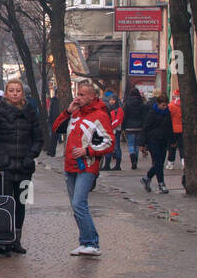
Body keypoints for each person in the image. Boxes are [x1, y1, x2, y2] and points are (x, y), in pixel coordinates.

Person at [53, 81, 115, 256]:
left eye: (82, 95)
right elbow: (56, 128)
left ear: (92, 96)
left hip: (87, 166)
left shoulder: (100, 115)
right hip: (70, 165)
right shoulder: (75, 114)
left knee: (79, 203)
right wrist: (67, 112)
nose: (78, 98)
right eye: (77, 94)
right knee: (75, 205)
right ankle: (85, 241)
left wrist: (88, 150)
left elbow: (109, 143)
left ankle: (92, 242)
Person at [0, 79, 44, 253]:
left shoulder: (30, 112)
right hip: (4, 167)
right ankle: (3, 238)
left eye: (18, 90)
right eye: (12, 90)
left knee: (22, 203)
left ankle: (17, 240)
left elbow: (38, 138)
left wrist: (31, 155)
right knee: (3, 202)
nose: (15, 93)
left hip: (25, 167)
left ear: (22, 93)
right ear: (7, 93)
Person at [141, 91, 173, 194]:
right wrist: (142, 143)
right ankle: (161, 183)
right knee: (158, 162)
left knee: (160, 162)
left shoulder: (167, 113)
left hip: (163, 140)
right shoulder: (152, 113)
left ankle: (147, 177)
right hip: (153, 140)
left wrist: (172, 140)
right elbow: (146, 128)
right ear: (158, 104)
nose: (165, 107)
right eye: (163, 105)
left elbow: (169, 127)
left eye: (166, 105)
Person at [121, 86, 147, 169]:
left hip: (129, 127)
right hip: (139, 127)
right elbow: (144, 116)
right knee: (136, 145)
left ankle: (132, 159)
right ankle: (135, 159)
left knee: (131, 144)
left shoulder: (127, 103)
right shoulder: (141, 103)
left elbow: (124, 116)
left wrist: (123, 126)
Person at [103, 90, 124, 170]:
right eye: (110, 100)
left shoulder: (119, 109)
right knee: (107, 147)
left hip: (116, 131)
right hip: (108, 131)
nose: (111, 101)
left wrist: (110, 126)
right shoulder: (107, 109)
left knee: (116, 147)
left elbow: (118, 120)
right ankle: (107, 165)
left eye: (113, 100)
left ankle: (117, 165)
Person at [167, 90, 183, 169]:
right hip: (182, 129)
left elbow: (168, 117)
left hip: (173, 129)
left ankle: (171, 162)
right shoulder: (184, 105)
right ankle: (184, 162)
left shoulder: (171, 105)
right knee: (182, 146)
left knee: (172, 146)